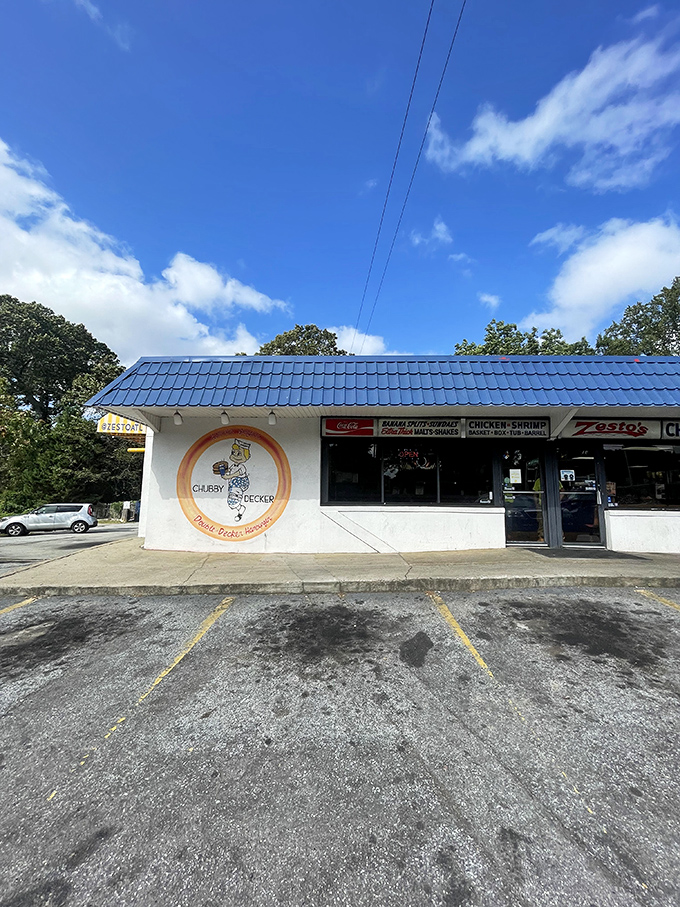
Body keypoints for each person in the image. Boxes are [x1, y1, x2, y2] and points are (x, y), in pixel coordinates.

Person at [213, 439, 251, 521]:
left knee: (232, 500)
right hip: (233, 484)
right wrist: (223, 472)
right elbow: (229, 472)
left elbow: (235, 474)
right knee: (231, 500)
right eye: (233, 453)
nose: (235, 455)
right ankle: (240, 509)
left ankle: (240, 510)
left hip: (240, 484)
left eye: (239, 453)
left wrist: (227, 476)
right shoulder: (233, 466)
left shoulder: (241, 467)